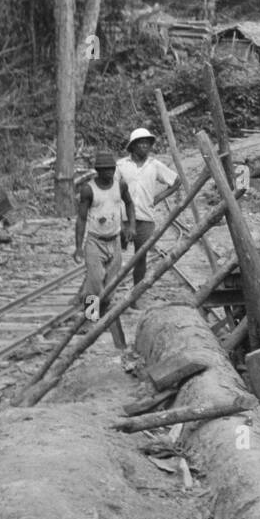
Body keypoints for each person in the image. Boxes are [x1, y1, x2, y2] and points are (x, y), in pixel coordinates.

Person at [73, 151, 135, 352]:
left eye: (111, 169)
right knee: (94, 281)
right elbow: (81, 219)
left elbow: (130, 204)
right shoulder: (88, 190)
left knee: (111, 282)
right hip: (94, 241)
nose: (109, 173)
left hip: (114, 239)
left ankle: (105, 313)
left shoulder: (120, 185)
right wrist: (78, 247)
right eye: (105, 170)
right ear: (98, 171)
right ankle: (91, 319)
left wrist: (131, 226)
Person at [116, 127, 176, 307]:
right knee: (112, 258)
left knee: (140, 258)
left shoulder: (155, 165)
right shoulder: (121, 166)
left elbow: (176, 181)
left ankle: (135, 296)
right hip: (123, 219)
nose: (144, 146)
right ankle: (103, 296)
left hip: (146, 218)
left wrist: (157, 198)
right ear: (132, 146)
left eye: (147, 143)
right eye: (140, 143)